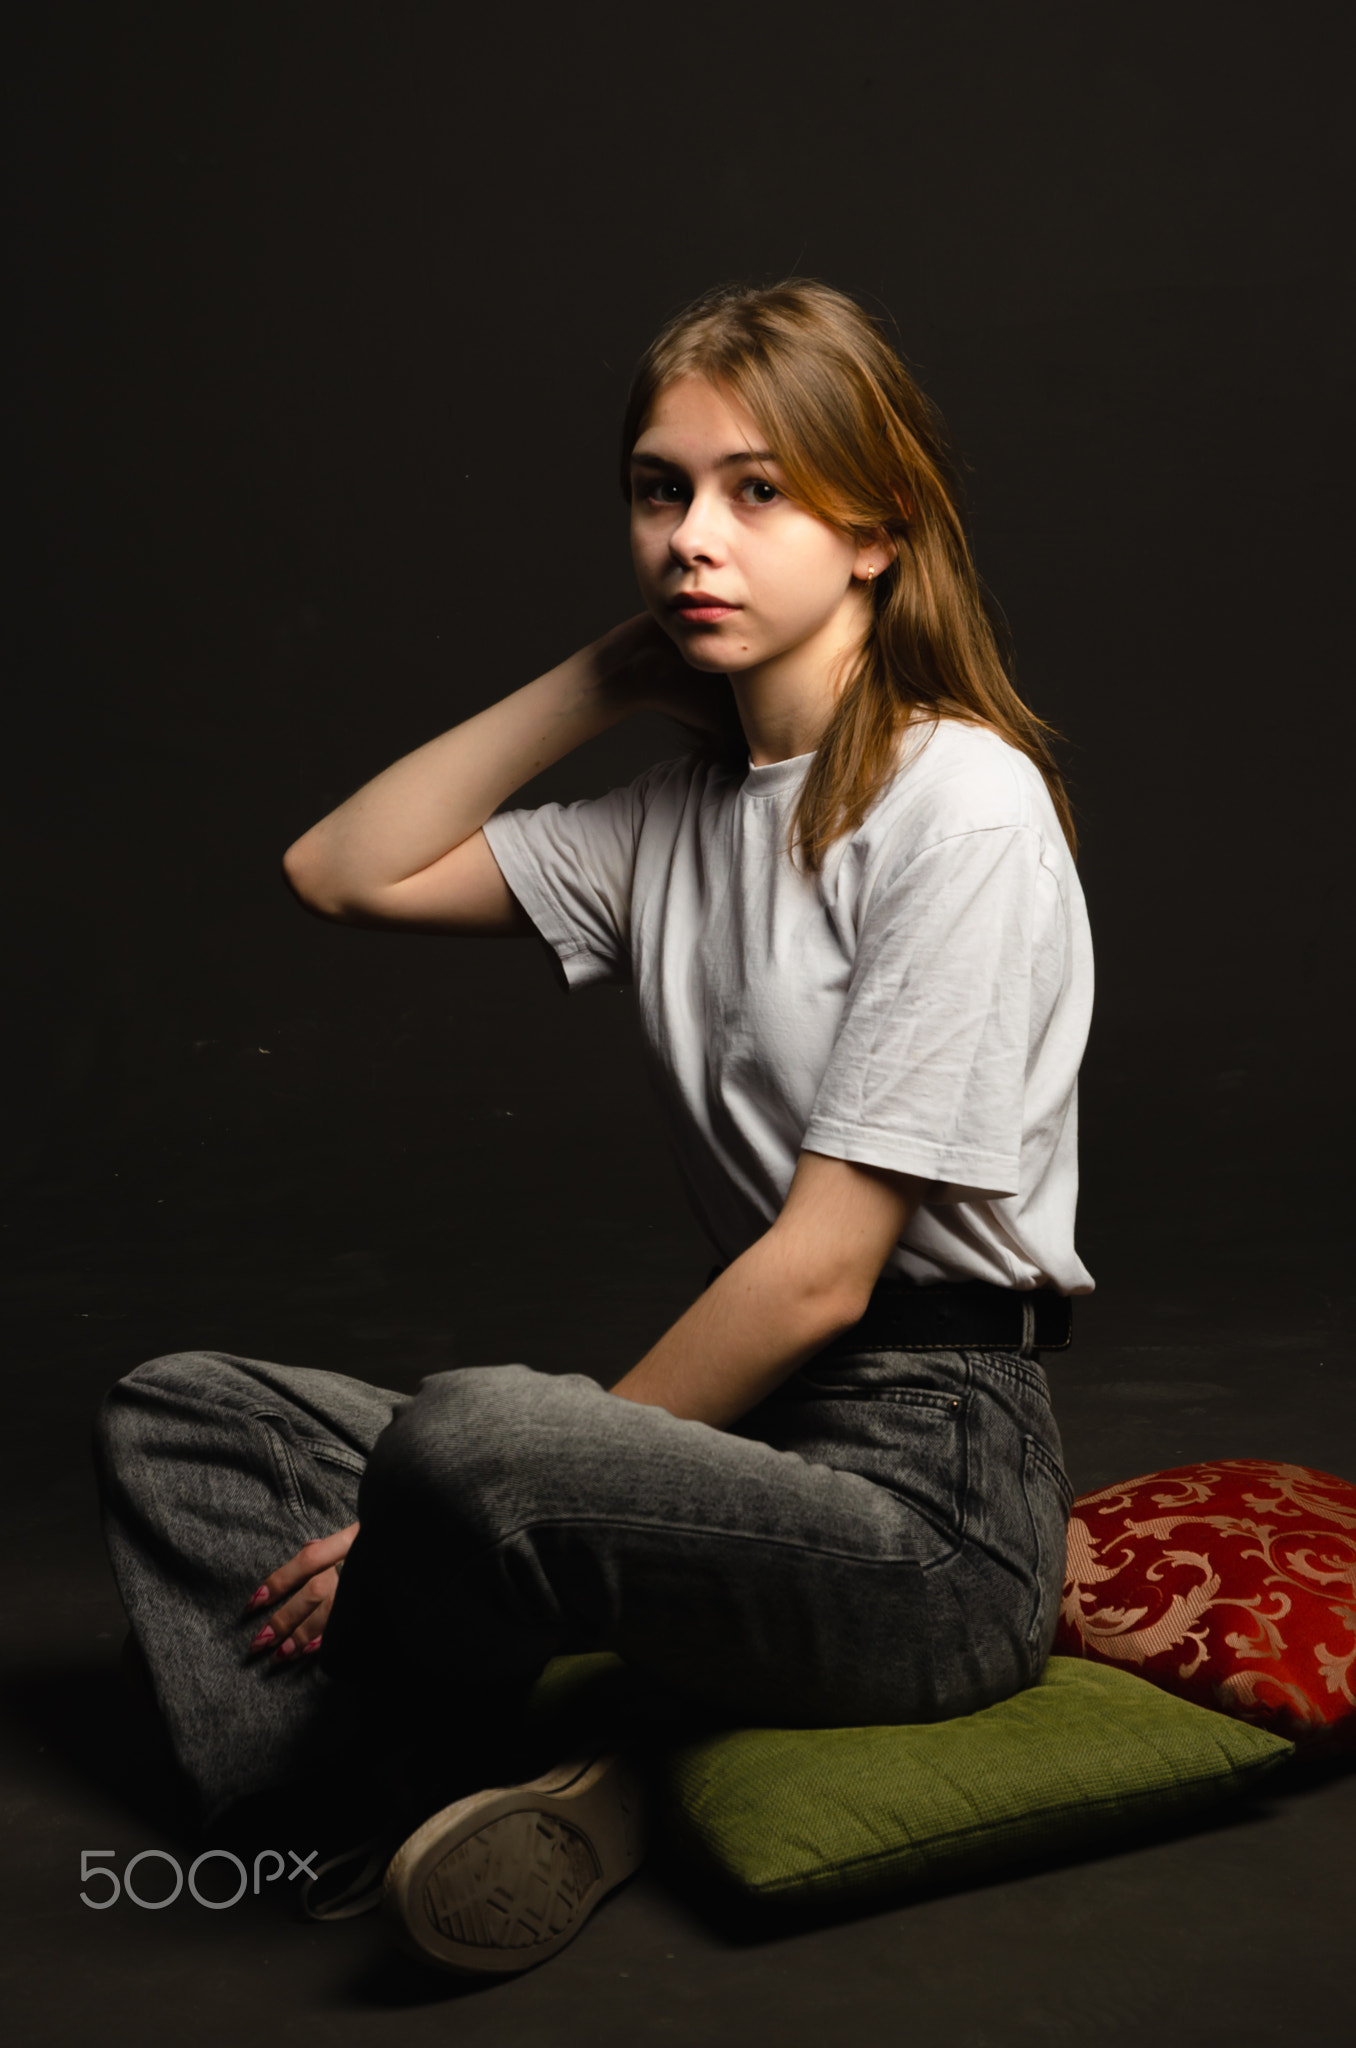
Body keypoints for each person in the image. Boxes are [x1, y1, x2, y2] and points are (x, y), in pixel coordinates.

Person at [93, 278, 1092, 1978]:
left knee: (477, 1443)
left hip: (935, 1508)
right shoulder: (671, 826)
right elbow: (341, 872)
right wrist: (605, 675)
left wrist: (443, 1512)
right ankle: (440, 1784)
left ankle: (416, 1769)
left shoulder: (959, 803)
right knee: (180, 1417)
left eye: (757, 489)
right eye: (660, 489)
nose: (693, 536)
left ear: (878, 531)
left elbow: (823, 1277)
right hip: (749, 1450)